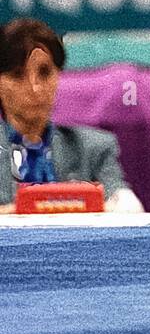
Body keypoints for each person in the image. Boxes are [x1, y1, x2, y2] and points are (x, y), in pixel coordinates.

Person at [0, 18, 142, 213]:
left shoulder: (94, 148)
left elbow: (128, 207)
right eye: (18, 75)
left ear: (58, 74)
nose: (35, 88)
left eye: (44, 72)